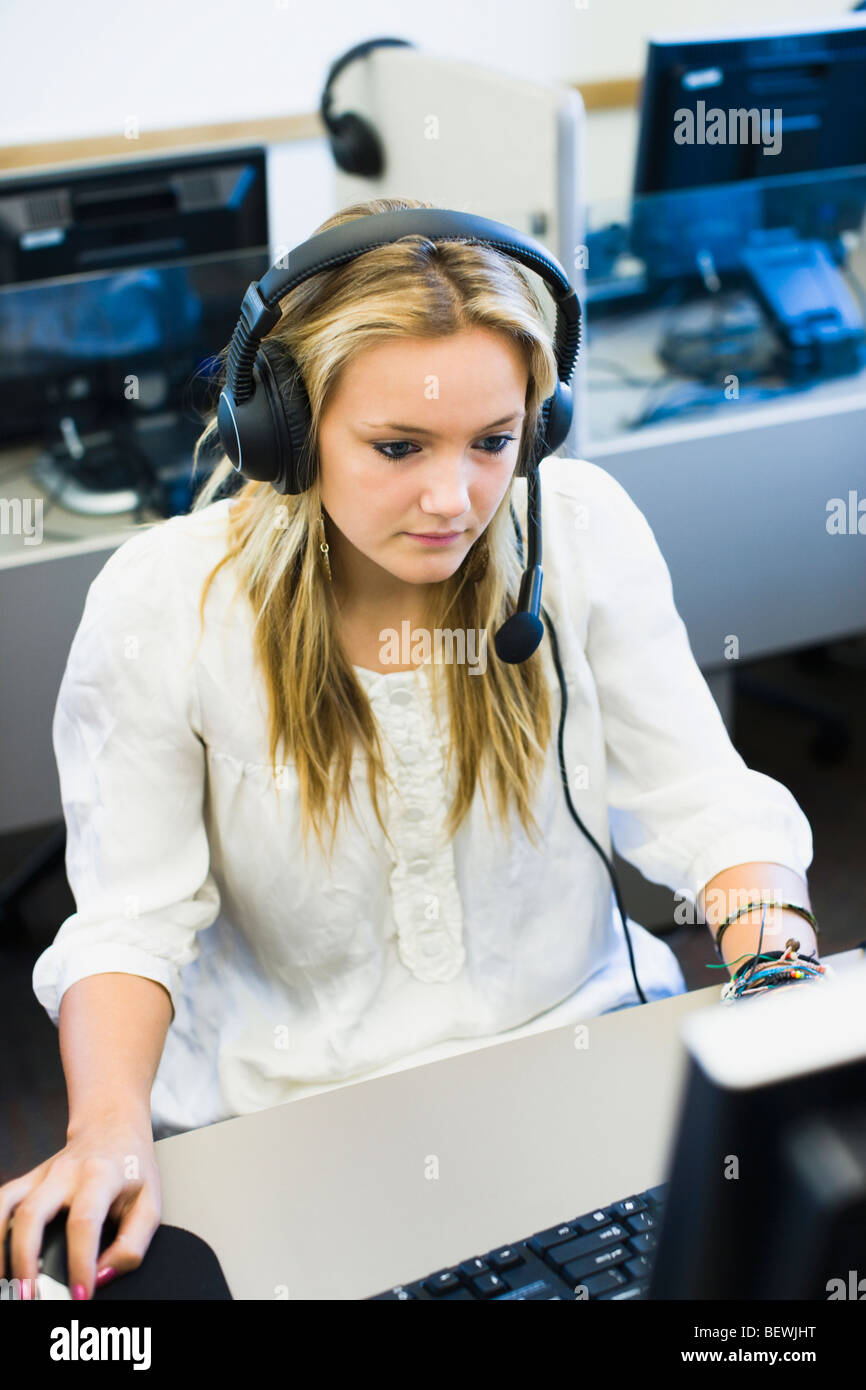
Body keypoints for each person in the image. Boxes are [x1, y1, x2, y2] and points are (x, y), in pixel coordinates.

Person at [2, 196, 817, 1301]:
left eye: (493, 441)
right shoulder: (166, 602)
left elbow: (702, 804)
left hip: (577, 1069)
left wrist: (779, 979)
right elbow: (128, 923)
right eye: (396, 446)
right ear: (283, 429)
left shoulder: (574, 531)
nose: (454, 498)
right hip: (288, 1119)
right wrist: (107, 1127)